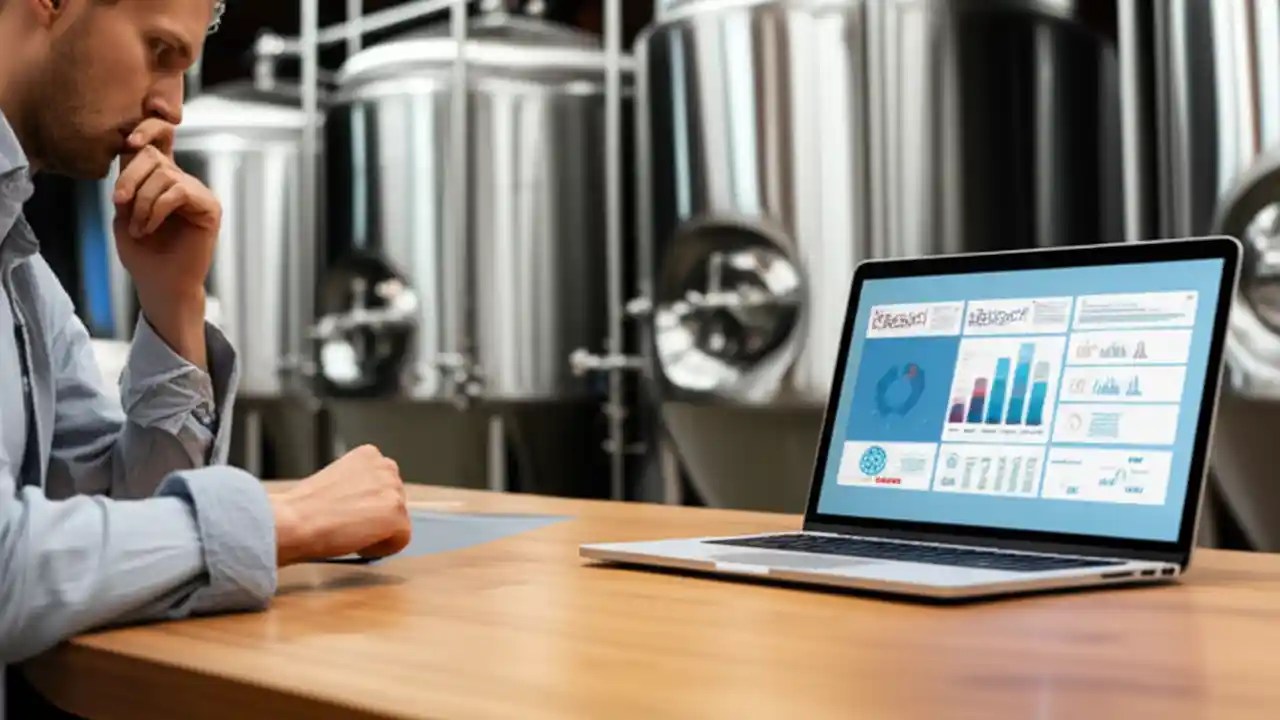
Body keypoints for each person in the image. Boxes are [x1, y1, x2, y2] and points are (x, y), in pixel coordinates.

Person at [0, 0, 414, 713]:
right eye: (159, 51)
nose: (171, 106)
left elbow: (113, 522)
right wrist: (284, 521)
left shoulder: (22, 272)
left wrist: (173, 304)